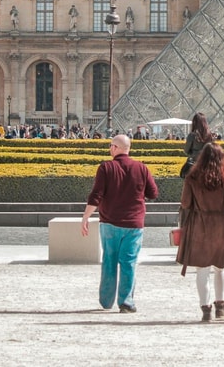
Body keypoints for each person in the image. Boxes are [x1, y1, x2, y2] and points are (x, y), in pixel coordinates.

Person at [80, 134, 159, 313]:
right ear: (128, 149)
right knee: (129, 262)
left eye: (110, 146)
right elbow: (153, 193)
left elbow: (96, 195)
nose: (109, 149)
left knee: (109, 260)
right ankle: (126, 302)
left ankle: (106, 301)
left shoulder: (106, 167)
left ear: (115, 148)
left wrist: (86, 217)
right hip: (134, 224)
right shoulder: (142, 168)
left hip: (110, 222)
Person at [176, 142, 224, 322]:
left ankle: (205, 309)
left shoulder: (192, 178)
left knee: (202, 270)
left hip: (199, 225)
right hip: (221, 226)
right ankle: (221, 307)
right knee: (220, 268)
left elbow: (185, 204)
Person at [181, 112, 210, 177]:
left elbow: (186, 150)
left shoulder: (192, 135)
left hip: (194, 164)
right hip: (207, 164)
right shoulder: (210, 136)